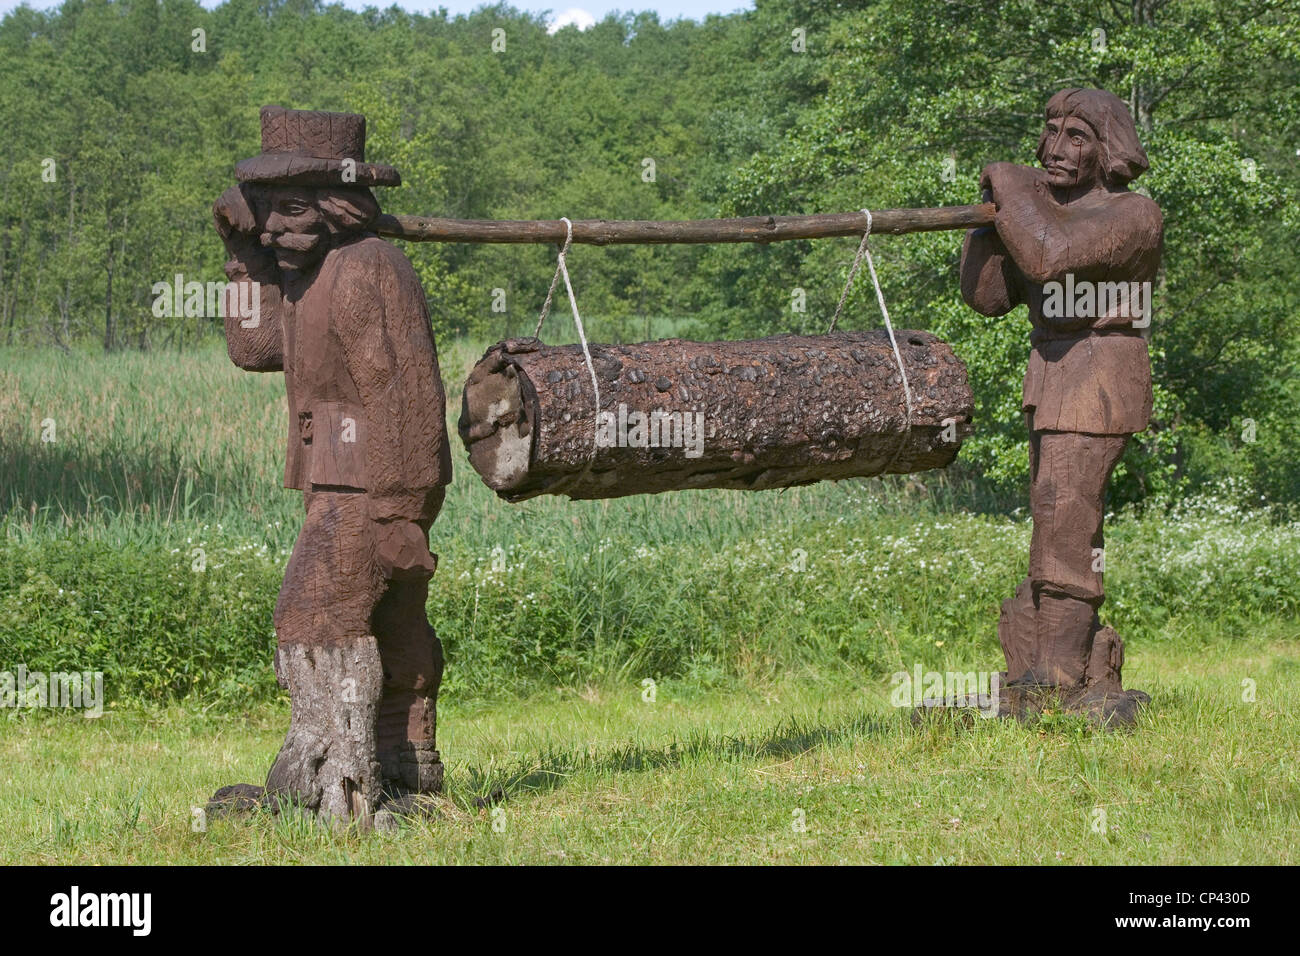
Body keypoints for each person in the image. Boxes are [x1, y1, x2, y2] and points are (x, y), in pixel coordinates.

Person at [213, 106, 452, 820]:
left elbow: (406, 393)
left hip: (375, 484)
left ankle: (335, 781)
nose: (277, 228)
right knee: (380, 622)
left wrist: (401, 511)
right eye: (266, 214)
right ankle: (406, 775)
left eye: (291, 210)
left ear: (338, 207)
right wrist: (243, 258)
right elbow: (254, 351)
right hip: (340, 481)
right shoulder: (307, 276)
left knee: (314, 615)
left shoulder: (367, 269)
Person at [960, 88, 1163, 726]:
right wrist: (989, 219)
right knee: (1053, 515)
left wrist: (1014, 190)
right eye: (1050, 131)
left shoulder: (1133, 214)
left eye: (1076, 135)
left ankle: (1060, 678)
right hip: (1051, 373)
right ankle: (1040, 670)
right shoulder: (1041, 214)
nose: (1055, 148)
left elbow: (1053, 256)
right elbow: (989, 297)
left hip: (1098, 374)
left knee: (1066, 514)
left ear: (1109, 150)